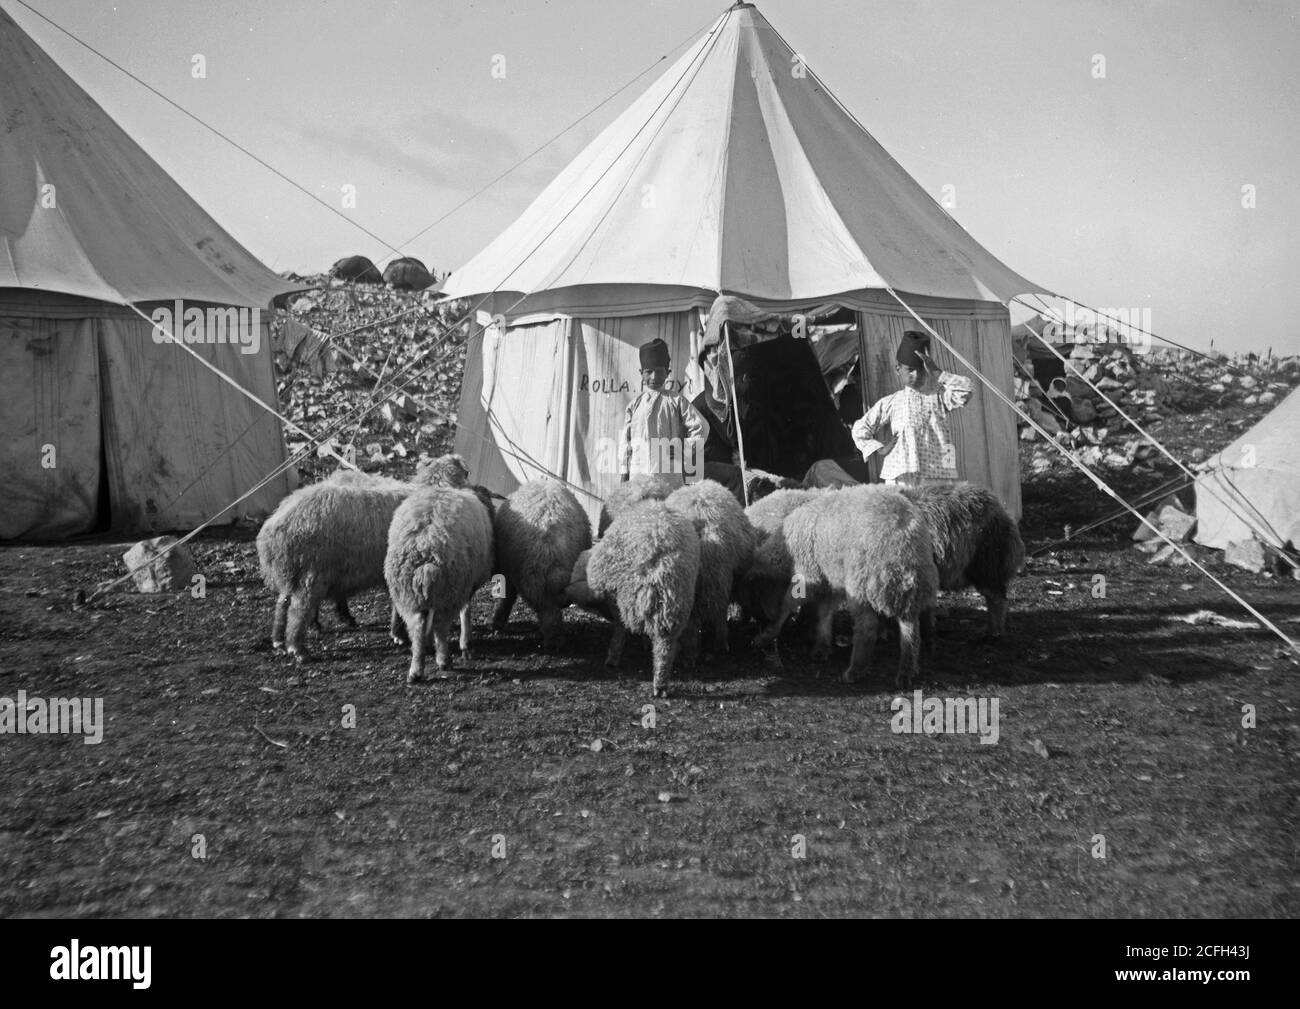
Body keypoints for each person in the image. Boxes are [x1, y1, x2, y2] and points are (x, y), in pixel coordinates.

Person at [851, 330, 974, 486]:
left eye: (920, 369)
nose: (916, 374)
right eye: (909, 370)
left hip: (936, 476)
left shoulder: (939, 397)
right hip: (901, 477)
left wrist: (937, 372)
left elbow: (966, 390)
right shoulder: (892, 402)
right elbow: (860, 429)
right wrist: (879, 449)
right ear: (898, 369)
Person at [619, 338, 710, 485]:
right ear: (641, 373)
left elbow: (701, 427)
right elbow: (626, 442)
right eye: (649, 372)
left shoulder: (676, 401)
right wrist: (624, 473)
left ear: (668, 373)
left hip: (668, 476)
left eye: (659, 371)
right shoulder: (633, 405)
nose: (654, 377)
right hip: (638, 475)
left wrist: (684, 451)